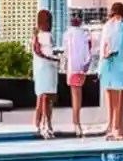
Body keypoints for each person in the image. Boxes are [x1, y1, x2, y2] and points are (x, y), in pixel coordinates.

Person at [97, 2, 123, 141]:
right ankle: (116, 129)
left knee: (114, 98)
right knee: (117, 98)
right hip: (115, 63)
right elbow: (114, 45)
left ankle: (114, 128)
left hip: (111, 63)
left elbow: (106, 46)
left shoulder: (113, 26)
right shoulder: (120, 26)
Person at [61, 16, 93, 137]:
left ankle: (76, 122)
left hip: (72, 68)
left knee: (75, 95)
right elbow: (89, 51)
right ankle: (77, 122)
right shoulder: (84, 34)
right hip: (82, 67)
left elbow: (66, 52)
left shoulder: (67, 34)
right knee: (78, 96)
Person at [31, 9, 59, 139]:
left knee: (46, 97)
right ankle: (43, 124)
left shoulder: (46, 35)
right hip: (44, 68)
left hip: (49, 68)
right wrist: (53, 58)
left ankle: (44, 123)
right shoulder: (39, 36)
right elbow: (39, 52)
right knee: (44, 96)